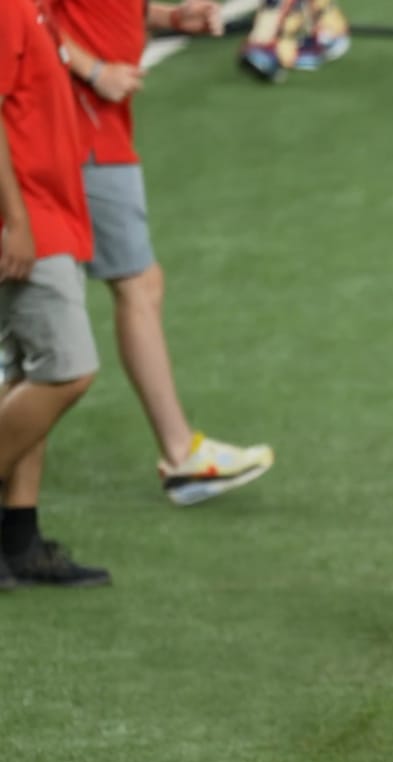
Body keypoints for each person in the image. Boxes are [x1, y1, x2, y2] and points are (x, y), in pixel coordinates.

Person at [51, 0, 276, 506]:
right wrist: (93, 69)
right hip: (78, 126)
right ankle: (180, 455)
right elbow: (25, 19)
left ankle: (181, 455)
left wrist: (172, 18)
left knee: (130, 285)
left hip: (96, 122)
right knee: (131, 283)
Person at [0, 0, 110, 589]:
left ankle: (19, 540)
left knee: (28, 374)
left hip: (49, 214)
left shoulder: (35, 8)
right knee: (66, 372)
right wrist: (15, 219)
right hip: (28, 220)